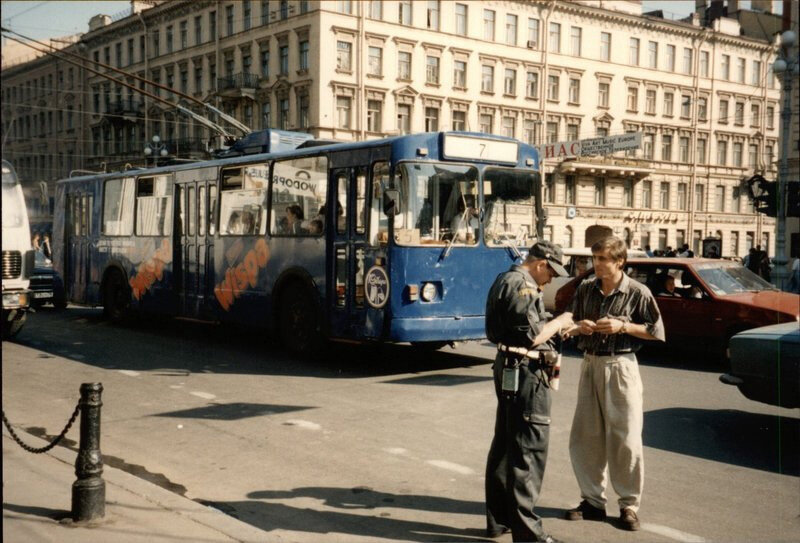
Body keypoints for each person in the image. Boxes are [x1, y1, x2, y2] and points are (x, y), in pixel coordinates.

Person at [561, 236, 665, 532]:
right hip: (591, 363)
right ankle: (592, 501)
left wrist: (623, 326)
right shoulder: (585, 287)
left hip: (621, 365)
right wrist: (577, 326)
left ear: (620, 262)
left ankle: (629, 505)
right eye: (594, 259)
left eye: (603, 259)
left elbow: (656, 331)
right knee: (586, 436)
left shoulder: (637, 291)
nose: (596, 265)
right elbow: (572, 320)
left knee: (626, 438)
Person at [484, 240, 573, 543]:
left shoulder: (505, 279)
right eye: (552, 272)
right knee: (529, 450)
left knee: (506, 445)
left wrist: (557, 326)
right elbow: (533, 335)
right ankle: (528, 534)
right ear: (540, 263)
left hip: (509, 365)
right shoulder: (523, 284)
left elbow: (522, 326)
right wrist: (561, 320)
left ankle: (500, 520)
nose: (551, 280)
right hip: (526, 371)